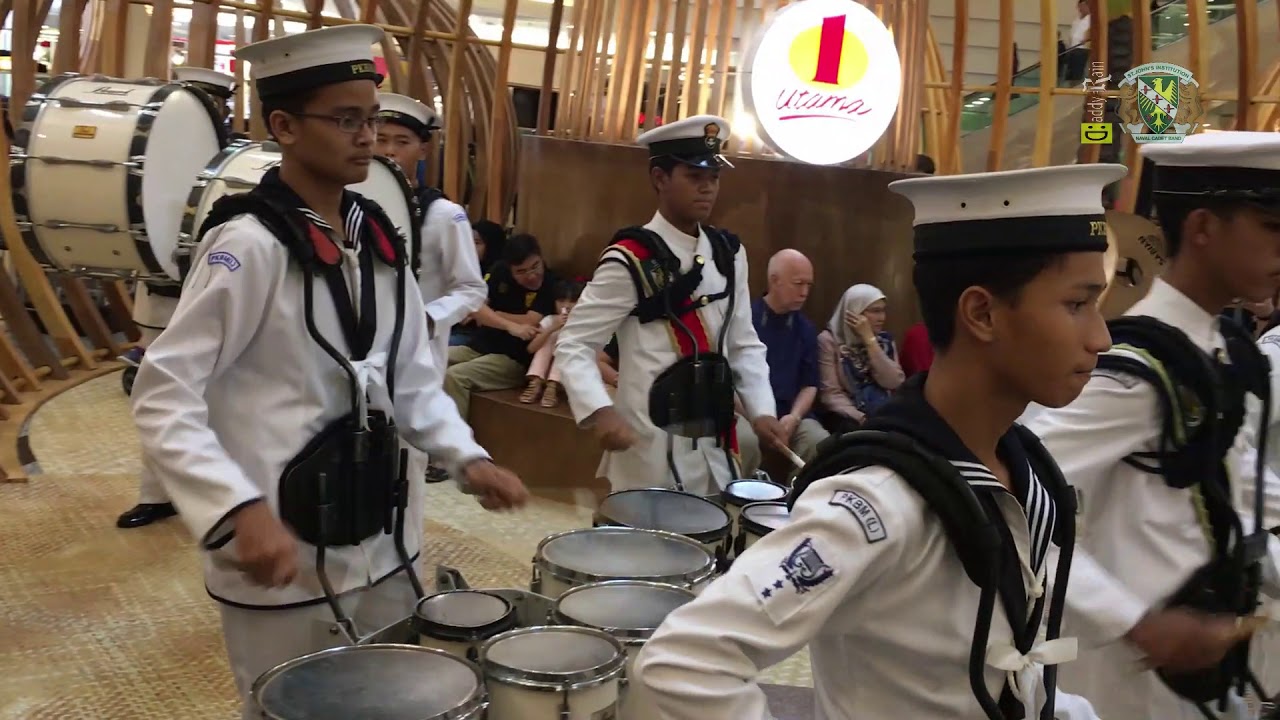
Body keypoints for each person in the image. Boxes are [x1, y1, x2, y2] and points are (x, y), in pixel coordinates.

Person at [635, 163, 1136, 720]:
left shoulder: (1021, 472)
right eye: (1077, 304)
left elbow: (1006, 669)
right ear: (982, 313)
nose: (1101, 336)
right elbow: (683, 663)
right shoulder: (878, 505)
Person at [128, 25, 528, 718]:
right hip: (279, 547)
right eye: (347, 120)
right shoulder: (246, 246)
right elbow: (164, 394)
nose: (367, 137)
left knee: (391, 697)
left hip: (383, 539)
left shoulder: (377, 237)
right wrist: (235, 508)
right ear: (283, 125)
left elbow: (406, 379)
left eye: (372, 119)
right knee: (288, 705)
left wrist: (466, 456)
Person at [1028, 131, 1280, 719]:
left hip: (1201, 680)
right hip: (1129, 686)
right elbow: (1012, 490)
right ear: (1202, 228)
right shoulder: (1138, 369)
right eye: (1271, 228)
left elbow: (1231, 495)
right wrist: (1135, 622)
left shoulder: (1214, 352)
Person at [554, 115, 785, 496]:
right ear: (660, 178)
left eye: (713, 178)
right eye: (694, 176)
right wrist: (601, 410)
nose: (708, 187)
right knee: (642, 554)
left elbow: (743, 343)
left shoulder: (729, 254)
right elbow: (574, 343)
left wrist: (762, 410)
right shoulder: (630, 259)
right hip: (649, 449)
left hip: (716, 449)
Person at [115, 65, 245, 529]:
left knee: (225, 397)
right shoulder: (155, 148)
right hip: (164, 291)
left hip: (219, 287)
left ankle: (228, 493)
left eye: (215, 103)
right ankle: (157, 494)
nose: (209, 111)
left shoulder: (239, 159)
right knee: (159, 388)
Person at [375, 92, 485, 366]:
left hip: (416, 357)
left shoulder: (444, 214)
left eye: (402, 142)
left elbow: (471, 288)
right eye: (381, 139)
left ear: (422, 150)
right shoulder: (347, 205)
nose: (390, 150)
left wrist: (428, 319)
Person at [444, 233, 560, 418]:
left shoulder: (550, 283)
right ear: (510, 269)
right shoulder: (499, 271)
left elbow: (530, 321)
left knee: (455, 376)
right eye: (521, 272)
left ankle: (455, 442)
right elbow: (475, 305)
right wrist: (507, 323)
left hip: (513, 358)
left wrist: (493, 315)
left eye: (535, 266)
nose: (531, 276)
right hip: (481, 345)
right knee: (430, 358)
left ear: (541, 257)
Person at [748, 249, 828, 464]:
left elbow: (810, 384)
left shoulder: (805, 328)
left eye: (808, 285)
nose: (804, 292)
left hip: (790, 414)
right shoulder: (745, 319)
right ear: (775, 281)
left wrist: (794, 417)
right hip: (748, 413)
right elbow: (729, 380)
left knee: (819, 441)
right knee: (743, 441)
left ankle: (797, 497)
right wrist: (757, 418)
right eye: (798, 283)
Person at [817, 283, 905, 433]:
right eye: (875, 311)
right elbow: (831, 394)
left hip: (884, 411)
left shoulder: (884, 340)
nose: (882, 318)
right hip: (849, 416)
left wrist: (870, 341)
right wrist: (862, 418)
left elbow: (894, 382)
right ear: (853, 312)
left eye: (883, 311)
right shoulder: (828, 341)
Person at [520, 279, 583, 407]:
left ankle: (553, 385)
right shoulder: (550, 320)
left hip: (569, 373)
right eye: (561, 301)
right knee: (548, 339)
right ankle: (536, 381)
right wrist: (552, 328)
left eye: (572, 301)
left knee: (565, 345)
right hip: (545, 371)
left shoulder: (583, 324)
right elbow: (531, 348)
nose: (567, 305)